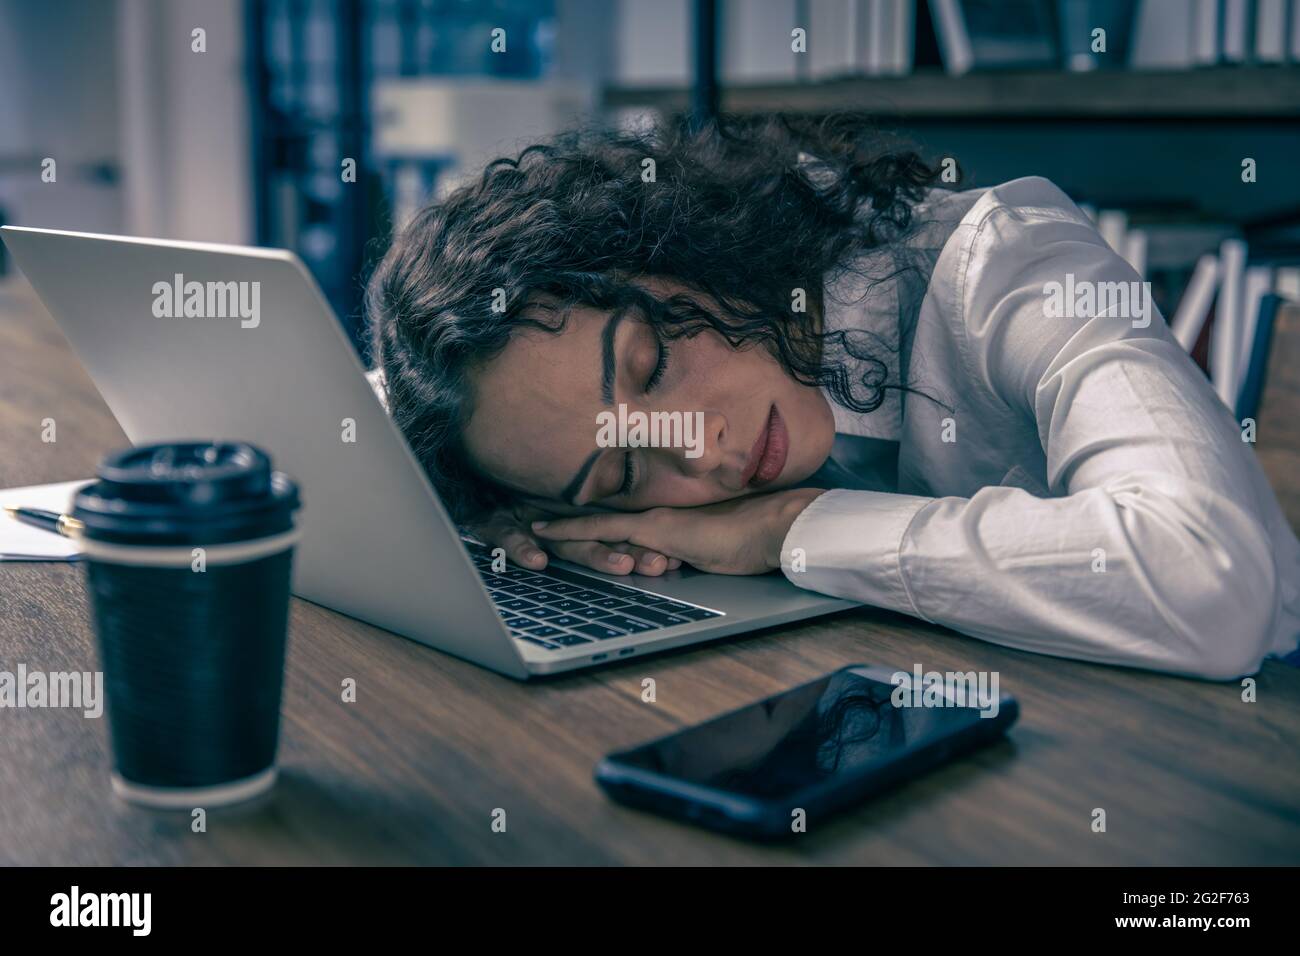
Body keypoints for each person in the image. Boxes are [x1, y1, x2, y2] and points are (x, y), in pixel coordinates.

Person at [365, 114, 1299, 680]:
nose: (699, 454)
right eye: (621, 473)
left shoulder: (1007, 263)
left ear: (672, 248)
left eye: (652, 367)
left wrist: (793, 529)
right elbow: (360, 402)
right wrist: (469, 515)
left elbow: (1208, 582)